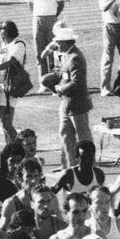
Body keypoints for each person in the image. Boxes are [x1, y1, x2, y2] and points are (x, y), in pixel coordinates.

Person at [49, 25, 93, 169]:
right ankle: (69, 166)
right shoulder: (67, 55)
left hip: (76, 104)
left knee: (83, 137)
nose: (56, 45)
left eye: (58, 42)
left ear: (64, 42)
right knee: (65, 134)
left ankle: (89, 166)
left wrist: (60, 89)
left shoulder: (75, 58)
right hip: (67, 103)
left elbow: (76, 82)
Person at [0, 20, 27, 146]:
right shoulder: (3, 47)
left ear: (9, 30)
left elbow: (11, 61)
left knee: (7, 124)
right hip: (0, 87)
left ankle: (20, 147)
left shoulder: (18, 45)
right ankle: (9, 146)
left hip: (10, 87)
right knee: (3, 124)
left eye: (2, 29)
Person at [26, 0, 65, 80]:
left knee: (54, 50)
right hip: (38, 19)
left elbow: (61, 3)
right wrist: (37, 15)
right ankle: (43, 79)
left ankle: (55, 78)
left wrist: (53, 15)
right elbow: (30, 3)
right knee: (39, 50)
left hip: (51, 18)